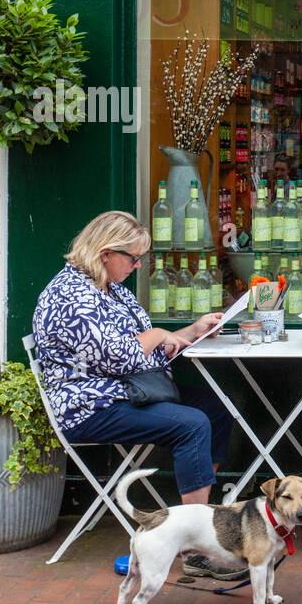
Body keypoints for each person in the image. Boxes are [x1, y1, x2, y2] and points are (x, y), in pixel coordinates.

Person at [32, 211, 241, 579]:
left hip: (127, 391)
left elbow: (144, 348)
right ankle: (195, 548)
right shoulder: (72, 296)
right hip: (89, 405)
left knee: (216, 409)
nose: (137, 264)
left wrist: (191, 331)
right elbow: (125, 356)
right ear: (104, 253)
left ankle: (198, 526)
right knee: (191, 424)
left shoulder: (112, 290)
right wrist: (160, 334)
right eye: (132, 257)